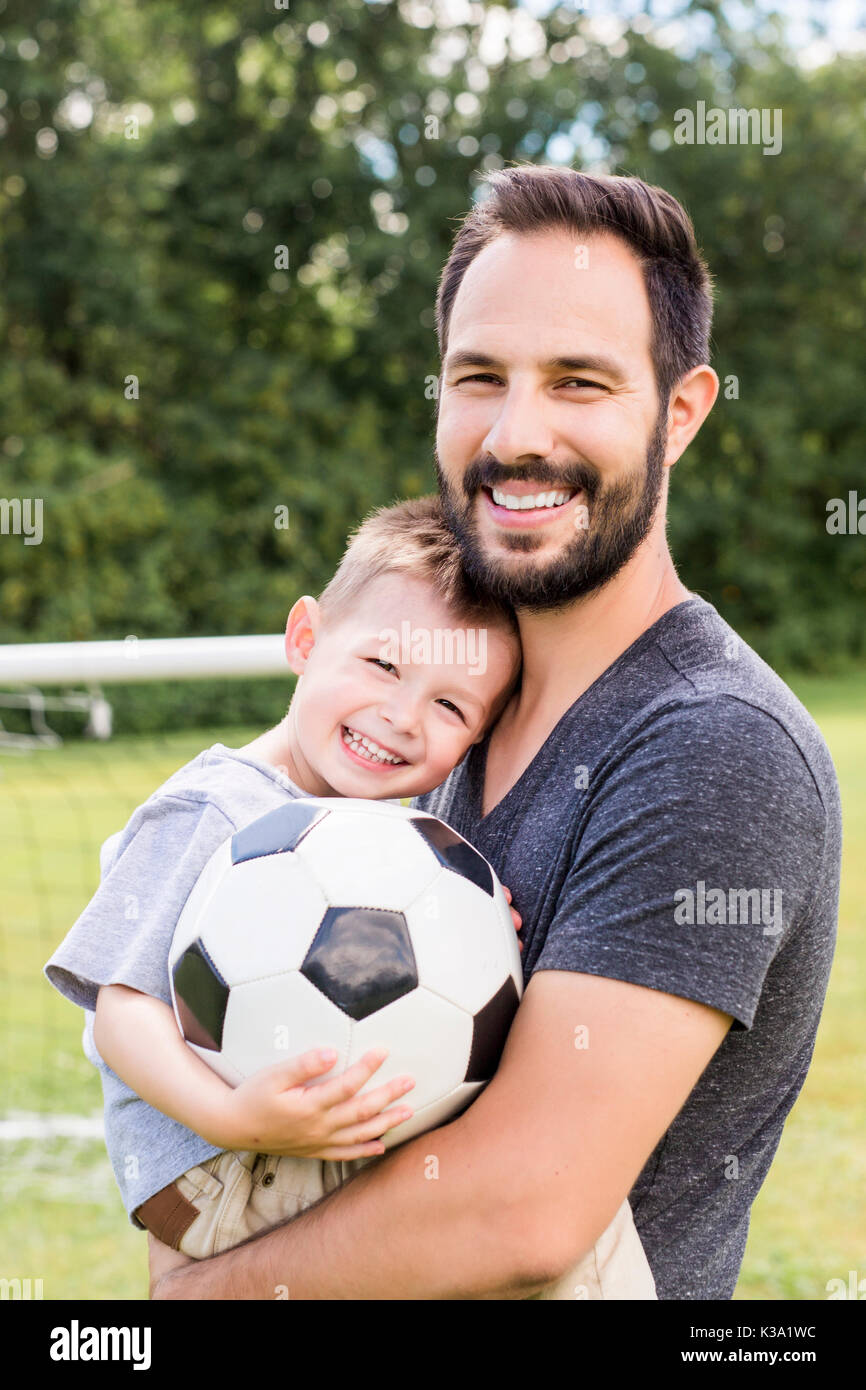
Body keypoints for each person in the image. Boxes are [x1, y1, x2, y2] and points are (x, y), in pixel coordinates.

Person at [141, 166, 842, 1302]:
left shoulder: (712, 747)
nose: (517, 434)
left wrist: (199, 1297)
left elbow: (526, 1201)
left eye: (578, 382)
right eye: (479, 378)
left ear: (678, 410)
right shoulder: (434, 718)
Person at [44, 492, 656, 1299]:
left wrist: (472, 933)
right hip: (221, 1168)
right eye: (383, 665)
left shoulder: (390, 841)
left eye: (448, 706)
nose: (401, 718)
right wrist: (233, 1118)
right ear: (306, 637)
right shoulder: (214, 806)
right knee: (546, 1193)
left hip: (292, 1145)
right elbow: (122, 1012)